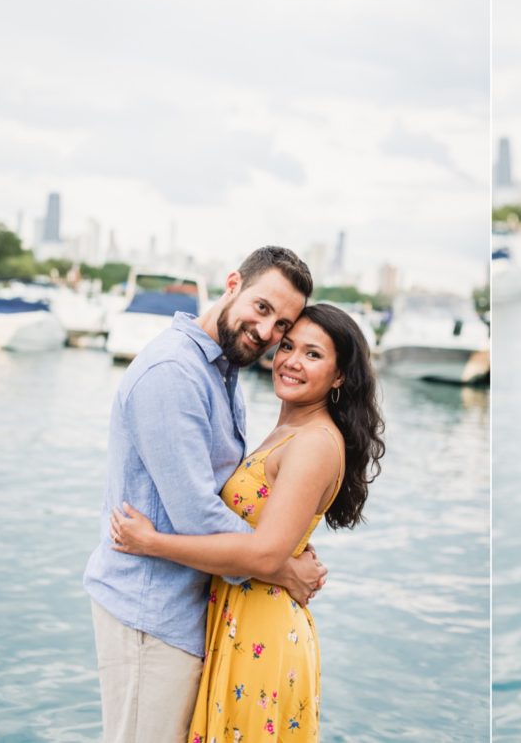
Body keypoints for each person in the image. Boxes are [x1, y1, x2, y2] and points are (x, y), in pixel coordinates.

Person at [110, 303, 385, 741]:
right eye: (288, 346)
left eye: (313, 355)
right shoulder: (289, 430)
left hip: (262, 635)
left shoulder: (314, 443)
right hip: (238, 620)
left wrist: (153, 542)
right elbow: (273, 539)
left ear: (340, 376)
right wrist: (291, 564)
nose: (292, 361)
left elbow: (264, 553)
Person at [84, 246, 325, 743]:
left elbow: (225, 495)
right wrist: (281, 565)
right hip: (150, 615)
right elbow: (196, 514)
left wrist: (277, 543)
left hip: (189, 612)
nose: (267, 332)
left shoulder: (220, 370)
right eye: (262, 309)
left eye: (282, 325)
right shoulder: (174, 373)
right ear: (233, 284)